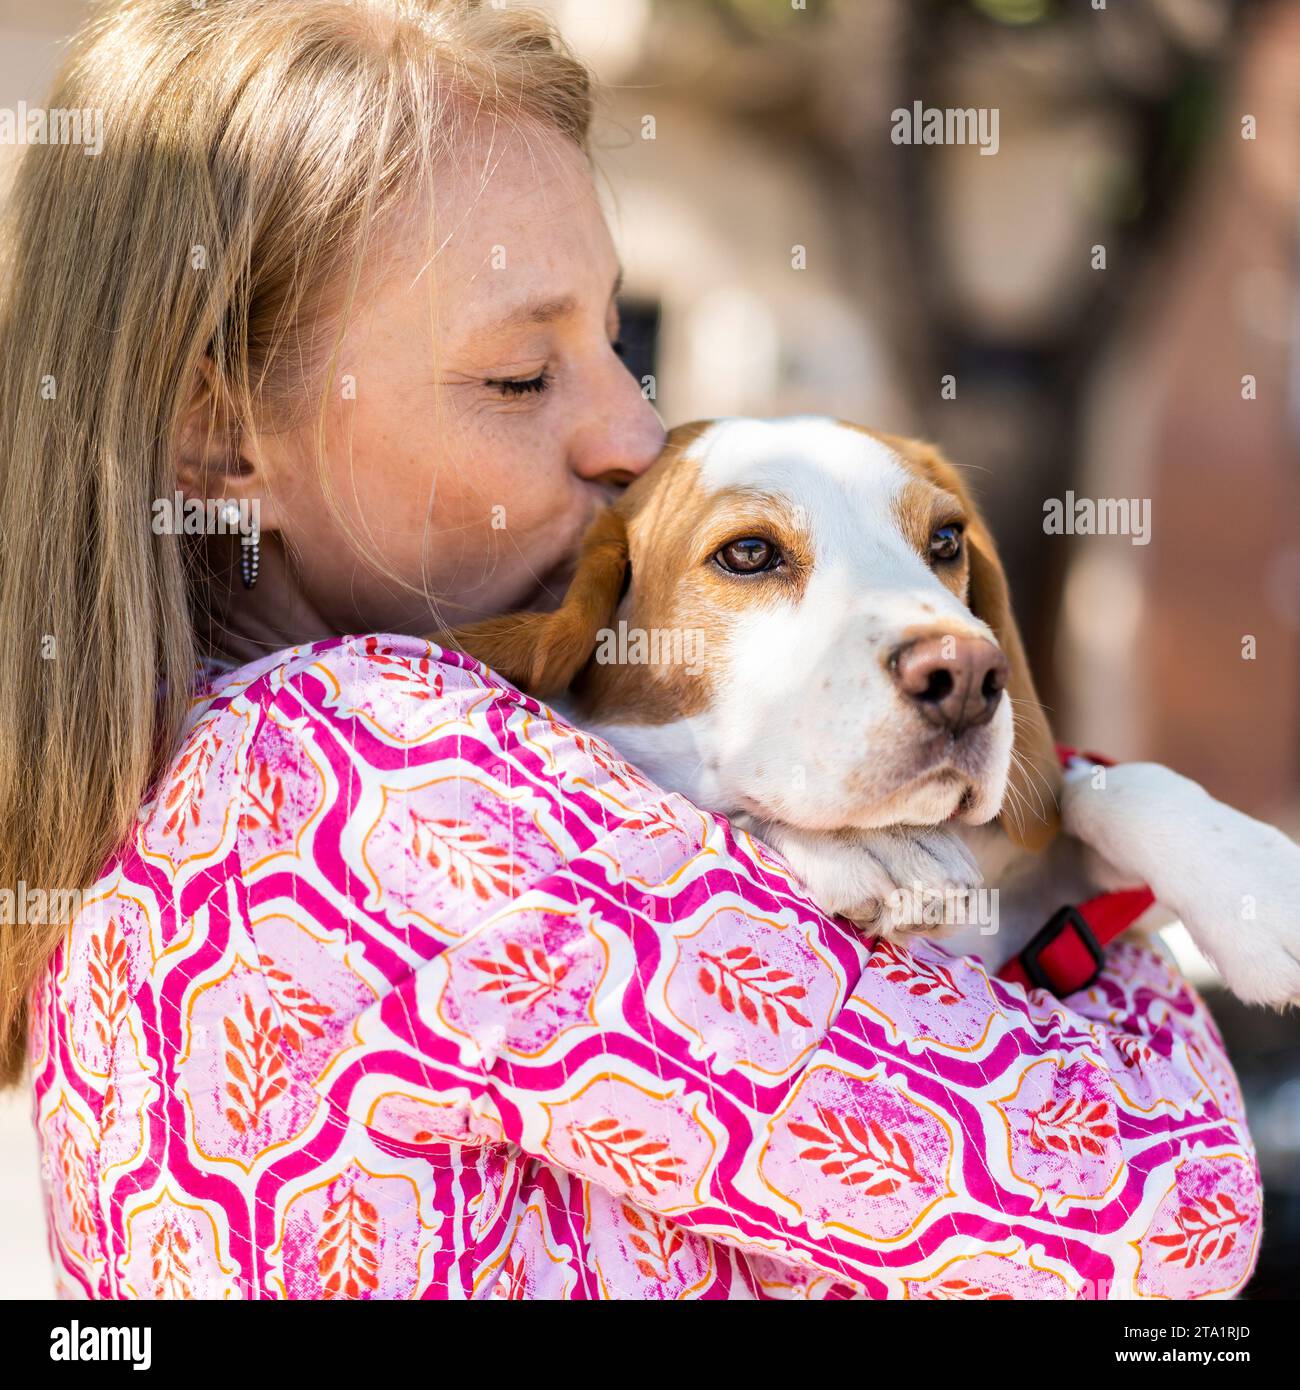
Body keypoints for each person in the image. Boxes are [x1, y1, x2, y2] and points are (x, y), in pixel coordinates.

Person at [0, 0, 1260, 1300]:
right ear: (219, 445)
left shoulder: (161, 799)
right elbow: (1157, 1208)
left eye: (619, 338)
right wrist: (1121, 921)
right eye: (519, 377)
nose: (634, 434)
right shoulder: (387, 774)